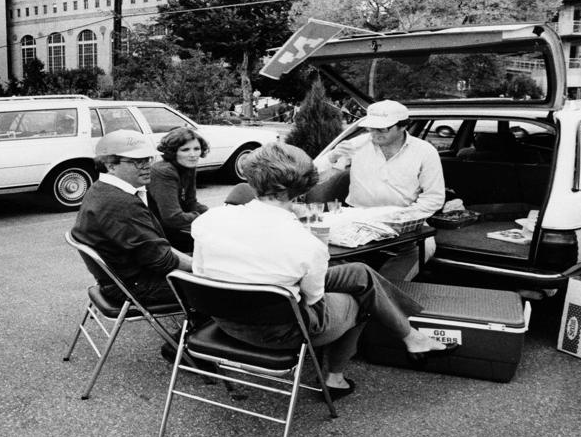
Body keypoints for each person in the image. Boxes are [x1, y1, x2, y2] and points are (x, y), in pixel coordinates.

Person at [191, 142, 454, 400]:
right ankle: (334, 378)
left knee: (359, 272)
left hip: (224, 316)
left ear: (251, 179)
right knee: (360, 300)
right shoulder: (307, 244)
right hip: (279, 330)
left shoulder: (208, 220)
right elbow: (314, 298)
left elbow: (200, 270)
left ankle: (411, 336)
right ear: (304, 187)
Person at [313, 98, 445, 279]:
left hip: (403, 217)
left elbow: (434, 198)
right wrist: (333, 156)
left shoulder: (425, 151)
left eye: (381, 129)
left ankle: (384, 289)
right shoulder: (357, 145)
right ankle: (349, 285)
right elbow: (314, 177)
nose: (374, 133)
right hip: (357, 215)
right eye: (370, 127)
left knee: (427, 245)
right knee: (321, 244)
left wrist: (403, 217)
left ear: (402, 126)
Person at [69, 129, 192, 313]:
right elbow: (163, 261)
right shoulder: (120, 203)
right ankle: (189, 340)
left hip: (121, 278)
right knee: (229, 285)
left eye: (148, 159)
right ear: (111, 166)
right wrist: (205, 267)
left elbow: (155, 248)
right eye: (136, 161)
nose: (146, 166)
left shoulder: (101, 189)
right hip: (135, 286)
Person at [146, 126, 211, 254]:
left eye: (196, 149)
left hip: (174, 228)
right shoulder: (164, 171)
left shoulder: (188, 166)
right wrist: (204, 218)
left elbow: (190, 202)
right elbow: (172, 218)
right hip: (157, 234)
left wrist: (212, 213)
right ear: (173, 152)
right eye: (185, 150)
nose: (192, 154)